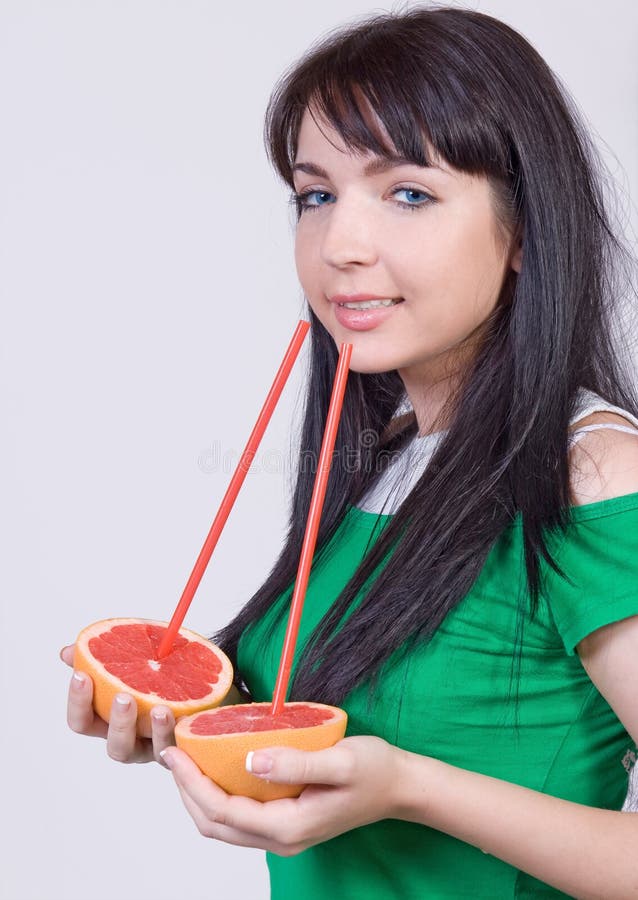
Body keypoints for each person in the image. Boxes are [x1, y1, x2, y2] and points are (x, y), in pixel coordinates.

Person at [61, 6, 638, 898]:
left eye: (408, 193)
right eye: (316, 194)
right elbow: (347, 706)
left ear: (525, 230)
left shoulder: (592, 472)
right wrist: (186, 709)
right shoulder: (385, 453)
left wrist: (409, 789)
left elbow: (408, 759)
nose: (340, 246)